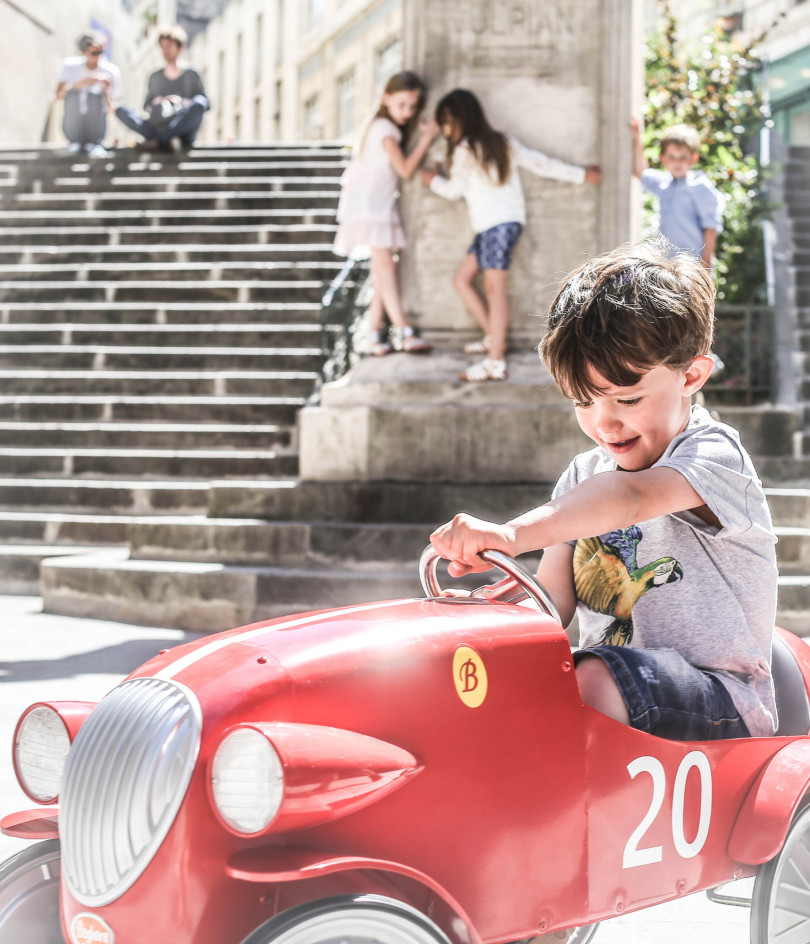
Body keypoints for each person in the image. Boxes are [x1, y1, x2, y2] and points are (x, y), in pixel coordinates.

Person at [431, 239, 777, 743]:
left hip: (722, 702)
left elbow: (629, 497)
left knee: (592, 678)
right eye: (583, 401)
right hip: (618, 689)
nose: (604, 422)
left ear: (692, 376)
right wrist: (487, 626)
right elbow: (551, 600)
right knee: (513, 684)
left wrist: (510, 533)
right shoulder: (581, 476)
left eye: (628, 398)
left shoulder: (715, 457)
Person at [420, 89, 602, 382]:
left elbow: (454, 190)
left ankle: (495, 361)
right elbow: (540, 163)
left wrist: (432, 181)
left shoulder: (466, 149)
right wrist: (580, 174)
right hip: (497, 224)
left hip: (496, 225)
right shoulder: (500, 142)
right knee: (462, 279)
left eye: (446, 122)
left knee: (495, 291)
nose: (444, 130)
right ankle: (495, 339)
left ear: (457, 119)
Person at [333, 71, 439, 355]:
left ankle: (374, 336)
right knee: (385, 268)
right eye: (402, 105)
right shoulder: (386, 130)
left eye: (413, 107)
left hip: (373, 206)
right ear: (386, 98)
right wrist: (427, 137)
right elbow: (405, 169)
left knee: (383, 271)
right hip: (372, 208)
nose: (408, 112)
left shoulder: (377, 127)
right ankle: (404, 331)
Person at [631, 119, 723, 269]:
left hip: (691, 265)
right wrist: (637, 137)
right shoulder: (664, 183)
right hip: (665, 263)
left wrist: (705, 263)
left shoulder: (700, 186)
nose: (677, 162)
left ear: (694, 158)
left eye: (683, 157)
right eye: (672, 157)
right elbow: (641, 173)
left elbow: (711, 227)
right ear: (663, 159)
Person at [115, 25, 209, 151]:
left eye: (169, 46)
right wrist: (160, 101)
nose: (165, 51)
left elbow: (205, 104)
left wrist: (181, 102)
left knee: (199, 103)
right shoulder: (155, 76)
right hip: (158, 124)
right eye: (163, 47)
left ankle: (159, 141)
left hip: (182, 128)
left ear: (180, 47)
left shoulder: (192, 74)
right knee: (121, 110)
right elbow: (146, 106)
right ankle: (164, 139)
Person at [56, 31, 121, 158]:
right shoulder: (70, 66)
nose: (98, 57)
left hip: (96, 120)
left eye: (100, 52)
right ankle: (75, 141)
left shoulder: (111, 71)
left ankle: (94, 142)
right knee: (75, 93)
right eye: (93, 53)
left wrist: (105, 90)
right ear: (83, 52)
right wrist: (87, 82)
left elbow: (113, 107)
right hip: (74, 118)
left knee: (93, 95)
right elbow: (59, 95)